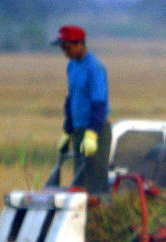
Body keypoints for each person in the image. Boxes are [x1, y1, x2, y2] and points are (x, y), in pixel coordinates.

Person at [53, 25, 111, 196]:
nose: (64, 52)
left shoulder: (95, 68)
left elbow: (99, 102)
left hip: (95, 131)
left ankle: (97, 219)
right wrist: (67, 131)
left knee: (94, 182)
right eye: (62, 47)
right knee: (79, 182)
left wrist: (92, 134)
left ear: (79, 44)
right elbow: (72, 99)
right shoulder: (72, 66)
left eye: (67, 47)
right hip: (78, 131)